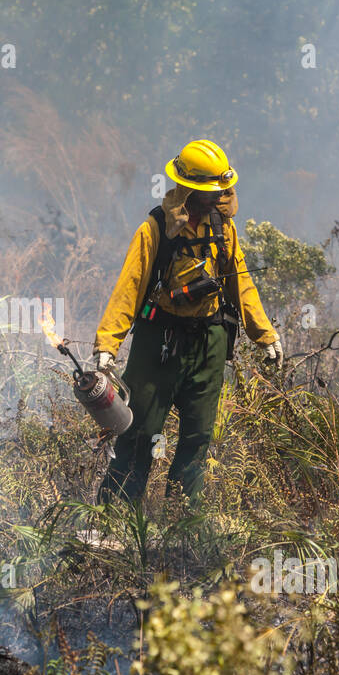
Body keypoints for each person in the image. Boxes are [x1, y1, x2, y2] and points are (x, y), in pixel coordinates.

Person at [92, 139, 281, 505]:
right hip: (158, 342)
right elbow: (128, 288)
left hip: (208, 343)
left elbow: (240, 280)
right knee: (140, 434)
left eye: (221, 191)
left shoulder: (224, 228)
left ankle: (184, 528)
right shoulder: (156, 228)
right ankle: (113, 523)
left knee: (197, 438)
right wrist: (106, 346)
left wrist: (264, 334)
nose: (219, 198)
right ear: (189, 188)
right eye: (212, 192)